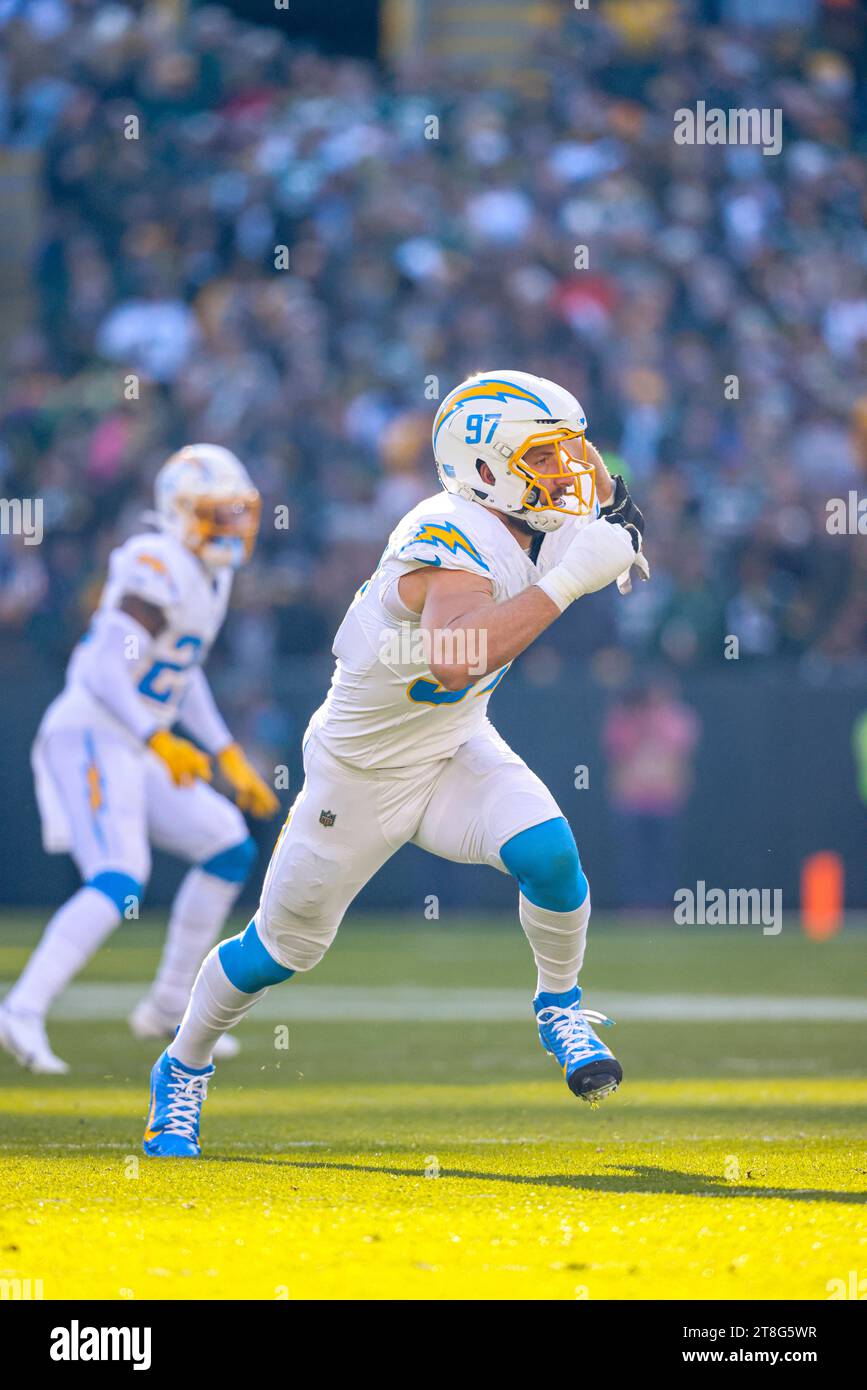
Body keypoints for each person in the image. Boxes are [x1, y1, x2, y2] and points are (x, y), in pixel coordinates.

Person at [142, 371, 649, 1157]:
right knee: (277, 952)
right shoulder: (444, 527)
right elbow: (452, 658)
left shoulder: (532, 521)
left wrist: (597, 541)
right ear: (482, 466)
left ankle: (559, 1007)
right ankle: (182, 1066)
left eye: (568, 453)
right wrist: (569, 583)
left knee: (549, 855)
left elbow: (593, 519)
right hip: (361, 777)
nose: (567, 472)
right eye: (544, 456)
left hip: (452, 747)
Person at [0, 445, 279, 1074]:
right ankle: (20, 1009)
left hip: (134, 739)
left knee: (228, 843)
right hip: (94, 733)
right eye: (217, 514)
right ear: (179, 513)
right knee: (119, 875)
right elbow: (101, 668)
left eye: (238, 513)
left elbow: (182, 672)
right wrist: (156, 738)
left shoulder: (210, 574)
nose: (232, 527)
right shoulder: (156, 563)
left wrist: (226, 752)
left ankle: (168, 1003)